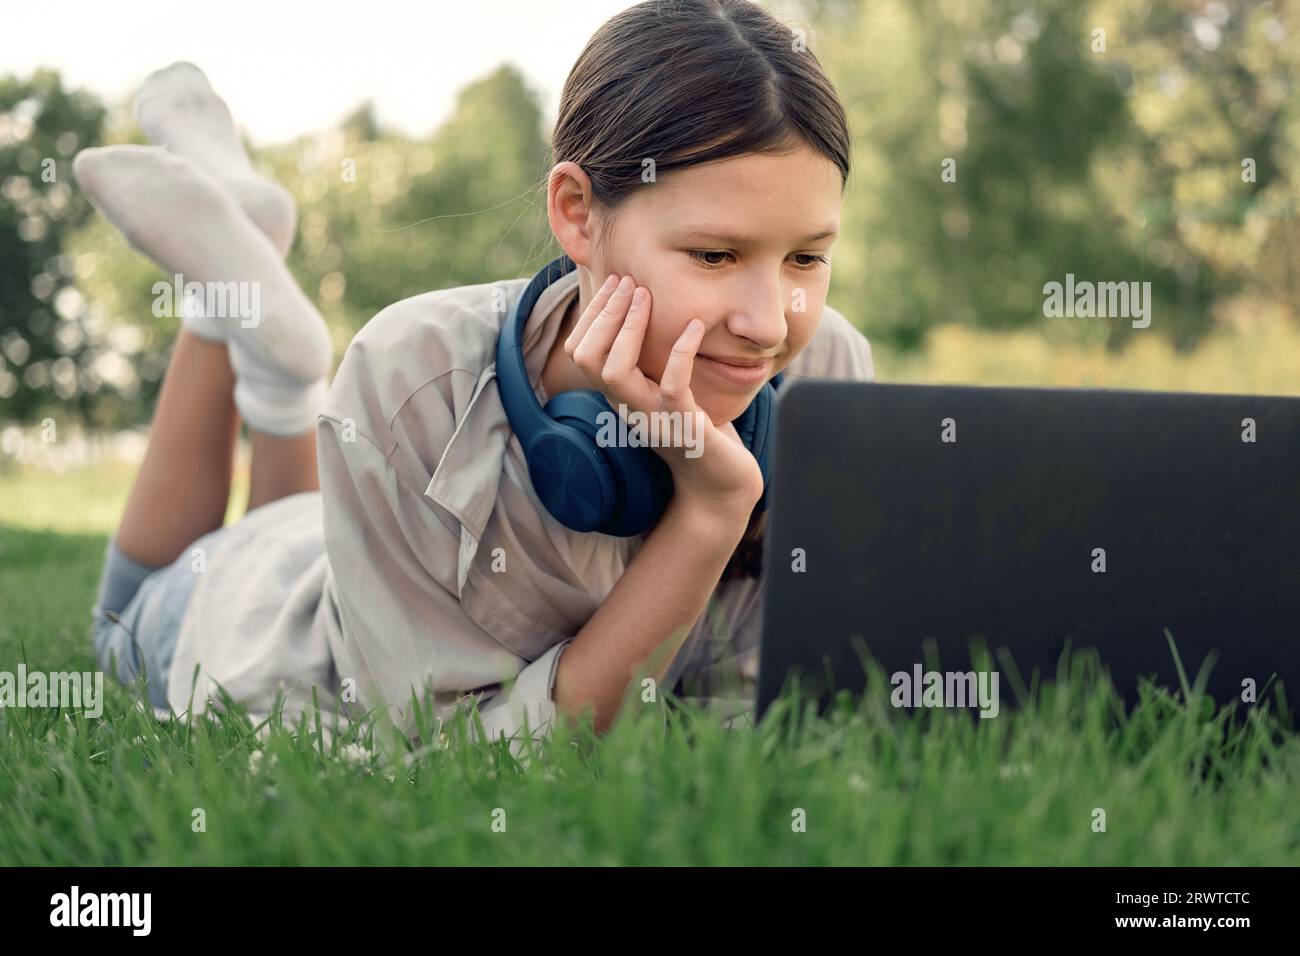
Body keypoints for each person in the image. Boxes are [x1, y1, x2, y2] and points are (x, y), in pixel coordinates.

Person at [77, 0, 876, 753]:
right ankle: (239, 317)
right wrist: (711, 513)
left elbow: (764, 709)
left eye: (807, 256)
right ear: (576, 213)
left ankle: (265, 313)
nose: (769, 323)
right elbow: (471, 755)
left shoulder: (823, 374)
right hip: (258, 620)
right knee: (121, 615)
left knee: (295, 514)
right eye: (715, 255)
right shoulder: (415, 375)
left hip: (346, 537)